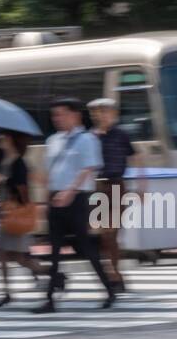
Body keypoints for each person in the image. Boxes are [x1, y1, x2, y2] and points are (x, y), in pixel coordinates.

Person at [36, 97, 117, 313]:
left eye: (61, 114)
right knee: (53, 251)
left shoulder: (86, 139)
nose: (57, 119)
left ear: (75, 115)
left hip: (78, 199)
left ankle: (110, 289)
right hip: (55, 199)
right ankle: (50, 299)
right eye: (54, 115)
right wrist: (46, 201)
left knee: (87, 248)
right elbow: (49, 174)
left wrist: (70, 192)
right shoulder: (53, 140)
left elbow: (89, 168)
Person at [0, 132, 48, 307]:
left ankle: (51, 272)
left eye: (3, 137)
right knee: (2, 254)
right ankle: (6, 293)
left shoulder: (19, 162)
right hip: (5, 212)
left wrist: (3, 180)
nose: (0, 140)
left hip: (15, 213)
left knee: (20, 258)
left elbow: (22, 189)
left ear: (10, 139)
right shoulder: (1, 158)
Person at [88, 97, 142, 294]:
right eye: (97, 112)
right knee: (102, 236)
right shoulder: (90, 137)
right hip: (97, 187)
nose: (101, 116)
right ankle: (115, 274)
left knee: (111, 232)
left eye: (105, 111)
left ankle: (115, 273)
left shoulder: (121, 135)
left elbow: (136, 159)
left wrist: (141, 187)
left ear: (114, 114)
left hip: (117, 186)